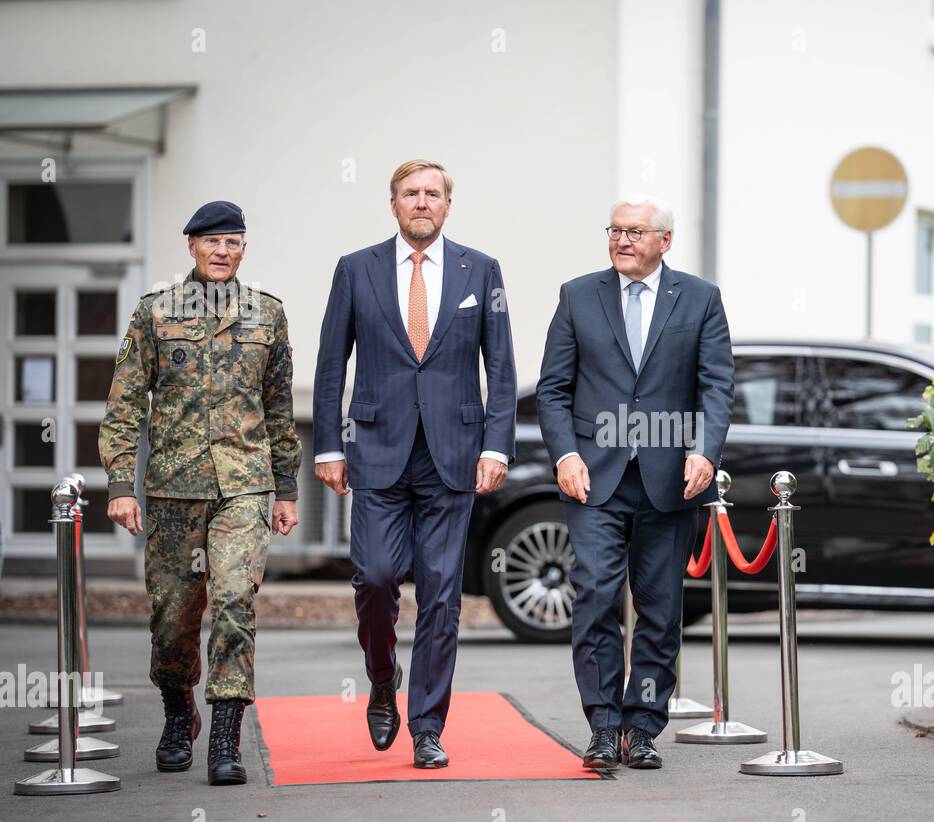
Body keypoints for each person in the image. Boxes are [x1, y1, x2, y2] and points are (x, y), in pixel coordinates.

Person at [314, 160, 516, 769]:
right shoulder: (357, 269)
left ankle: (427, 725)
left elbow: (501, 368)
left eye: (433, 193)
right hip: (377, 451)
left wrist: (496, 445)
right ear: (393, 204)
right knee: (375, 578)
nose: (421, 202)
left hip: (453, 455)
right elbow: (330, 365)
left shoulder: (481, 270)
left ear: (448, 205)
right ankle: (382, 679)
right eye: (410, 194)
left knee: (441, 593)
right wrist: (328, 445)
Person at [99, 200, 301, 786]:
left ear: (244, 249)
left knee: (236, 602)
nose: (222, 251)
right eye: (211, 241)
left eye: (233, 242)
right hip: (172, 490)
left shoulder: (267, 316)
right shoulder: (155, 314)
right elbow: (125, 406)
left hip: (243, 486)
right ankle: (176, 712)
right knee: (173, 618)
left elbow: (280, 410)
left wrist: (285, 489)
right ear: (191, 246)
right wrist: (120, 485)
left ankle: (225, 736)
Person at [537, 195, 734, 770]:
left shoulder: (700, 299)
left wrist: (704, 451)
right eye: (614, 231)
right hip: (592, 478)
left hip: (668, 478)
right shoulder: (578, 295)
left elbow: (715, 388)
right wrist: (565, 455)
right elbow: (553, 389)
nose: (621, 240)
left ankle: (642, 727)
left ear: (664, 241)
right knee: (596, 592)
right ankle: (602, 726)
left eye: (635, 232)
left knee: (660, 606)